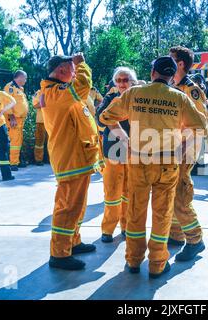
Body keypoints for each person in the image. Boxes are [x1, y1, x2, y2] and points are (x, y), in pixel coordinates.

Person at [99, 56, 207, 278]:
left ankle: (133, 260)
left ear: (152, 73)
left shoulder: (134, 94)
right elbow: (200, 127)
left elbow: (105, 116)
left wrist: (125, 138)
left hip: (139, 162)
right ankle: (157, 263)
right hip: (167, 163)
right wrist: (181, 146)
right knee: (162, 213)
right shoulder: (179, 98)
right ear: (171, 75)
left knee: (136, 212)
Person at [40, 53, 103, 271]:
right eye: (72, 68)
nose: (75, 72)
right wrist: (82, 63)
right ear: (61, 70)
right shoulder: (55, 92)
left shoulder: (61, 92)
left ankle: (72, 242)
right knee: (67, 207)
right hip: (70, 159)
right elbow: (84, 84)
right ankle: (59, 254)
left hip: (79, 158)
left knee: (76, 205)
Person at [166, 46, 208, 261]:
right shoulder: (172, 86)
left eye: (171, 59)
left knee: (181, 192)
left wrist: (183, 145)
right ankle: (176, 234)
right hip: (173, 146)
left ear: (180, 64)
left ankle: (195, 239)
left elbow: (201, 122)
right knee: (172, 189)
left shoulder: (190, 89)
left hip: (185, 147)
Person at [95, 67, 137, 243]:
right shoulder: (110, 98)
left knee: (129, 191)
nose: (121, 83)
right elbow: (99, 118)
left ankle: (126, 227)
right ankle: (107, 230)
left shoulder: (139, 99)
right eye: (118, 80)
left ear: (133, 81)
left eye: (125, 80)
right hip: (113, 150)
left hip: (134, 151)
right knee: (112, 191)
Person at [4, 71, 29, 171]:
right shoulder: (9, 87)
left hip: (20, 119)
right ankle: (13, 163)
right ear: (19, 77)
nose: (26, 80)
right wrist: (11, 117)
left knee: (18, 140)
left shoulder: (19, 89)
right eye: (25, 78)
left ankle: (17, 161)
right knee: (14, 141)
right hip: (14, 119)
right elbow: (7, 102)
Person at [32, 90, 47, 166]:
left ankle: (52, 159)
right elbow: (35, 105)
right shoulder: (39, 92)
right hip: (41, 121)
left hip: (54, 121)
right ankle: (38, 160)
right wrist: (47, 103)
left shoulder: (57, 90)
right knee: (39, 141)